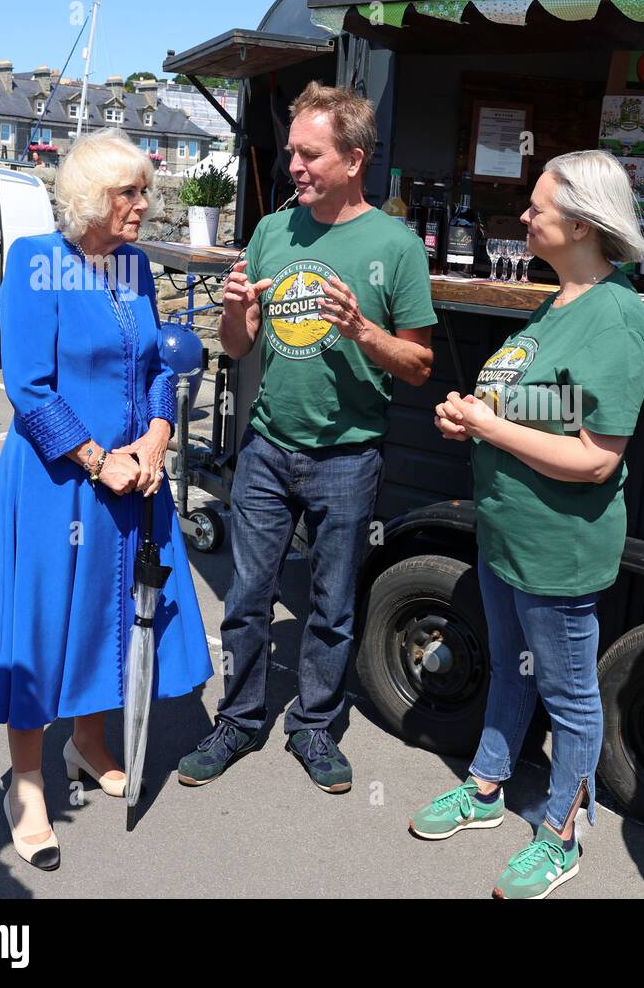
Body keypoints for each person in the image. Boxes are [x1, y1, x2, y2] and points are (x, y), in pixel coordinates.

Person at [409, 150, 644, 900]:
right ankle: (487, 788)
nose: (523, 216)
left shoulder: (618, 315)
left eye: (537, 207)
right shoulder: (558, 304)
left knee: (570, 692)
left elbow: (594, 459)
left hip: (559, 544)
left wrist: (490, 424)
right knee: (512, 666)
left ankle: (563, 832)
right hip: (508, 534)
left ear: (581, 223)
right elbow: (547, 412)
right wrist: (475, 421)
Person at [178, 82, 436, 792]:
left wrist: (361, 329)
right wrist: (233, 314)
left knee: (331, 607)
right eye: (291, 150)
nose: (292, 164)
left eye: (308, 153)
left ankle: (315, 726)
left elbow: (419, 364)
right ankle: (237, 718)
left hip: (348, 456)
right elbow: (237, 347)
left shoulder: (396, 245)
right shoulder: (270, 232)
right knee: (246, 597)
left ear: (353, 159)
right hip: (265, 446)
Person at [0, 127, 213, 871]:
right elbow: (29, 387)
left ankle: (90, 739)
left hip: (130, 478)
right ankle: (29, 781)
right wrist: (97, 457)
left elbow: (156, 365)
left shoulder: (135, 266)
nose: (146, 204)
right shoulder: (36, 262)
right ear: (87, 199)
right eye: (130, 193)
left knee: (113, 613)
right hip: (55, 482)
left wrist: (158, 438)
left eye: (145, 189)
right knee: (41, 625)